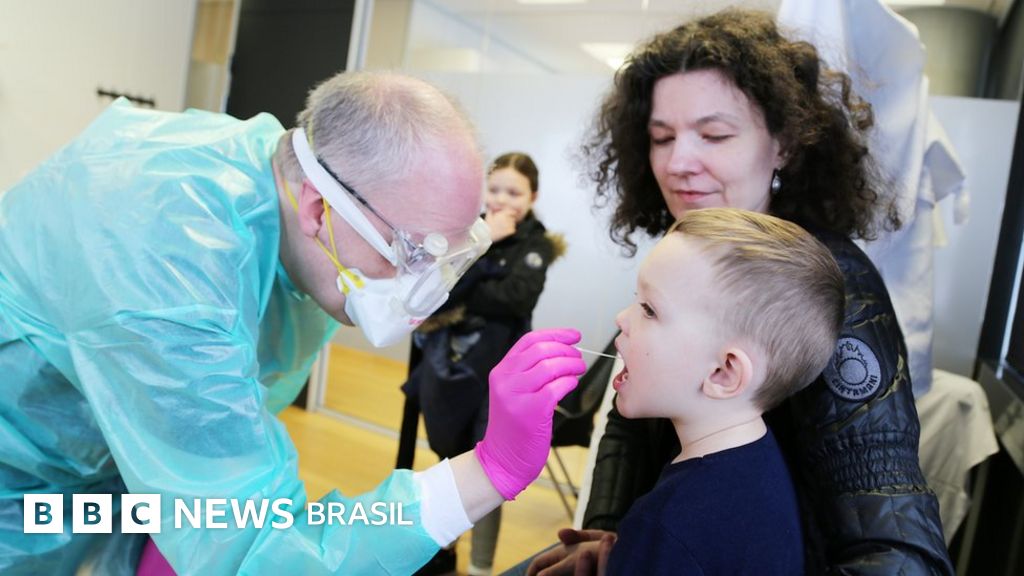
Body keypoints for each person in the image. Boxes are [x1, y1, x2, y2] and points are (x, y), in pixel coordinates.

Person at [0, 71, 586, 575]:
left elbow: (218, 455)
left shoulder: (295, 215)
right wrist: (484, 472)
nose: (427, 293)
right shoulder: (168, 267)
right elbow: (255, 548)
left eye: (452, 257)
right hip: (21, 475)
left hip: (126, 469)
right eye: (412, 254)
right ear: (317, 208)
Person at [526, 9, 952, 575]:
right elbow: (635, 420)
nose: (679, 163)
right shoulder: (700, 254)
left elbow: (900, 558)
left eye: (715, 134)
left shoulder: (830, 290)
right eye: (661, 137)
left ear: (784, 145)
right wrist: (609, 538)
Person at [599, 207, 845, 574]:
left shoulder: (668, 524)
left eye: (649, 309)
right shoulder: (757, 468)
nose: (622, 318)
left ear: (724, 372)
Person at [407, 153, 564, 576]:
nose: (501, 200)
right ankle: (445, 553)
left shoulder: (538, 244)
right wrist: (484, 248)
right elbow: (435, 293)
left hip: (501, 375)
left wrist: (473, 278)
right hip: (449, 366)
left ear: (532, 197)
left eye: (514, 192)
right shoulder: (470, 233)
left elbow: (515, 298)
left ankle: (480, 566)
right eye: (494, 189)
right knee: (449, 458)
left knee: (490, 470)